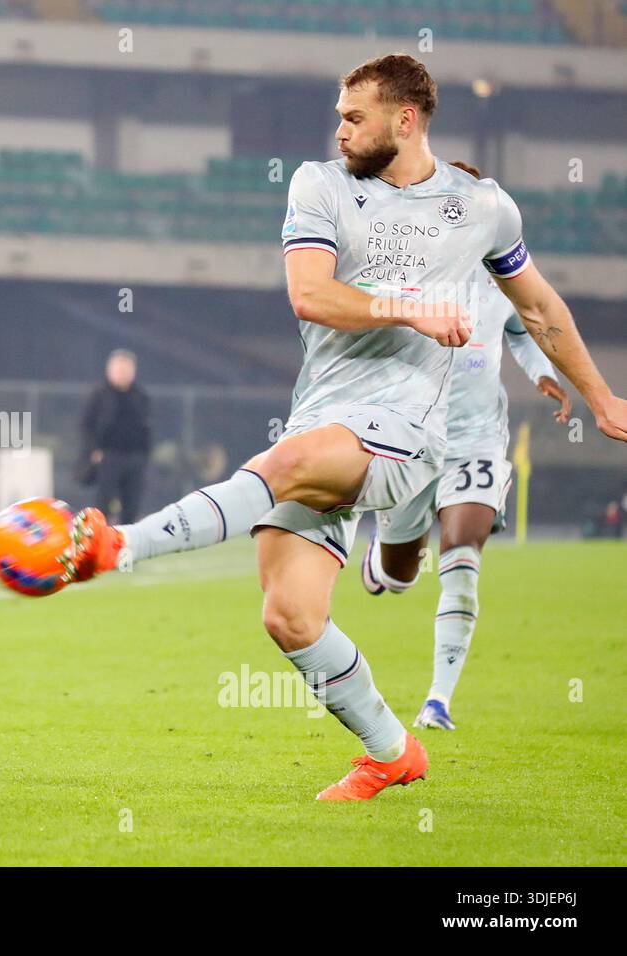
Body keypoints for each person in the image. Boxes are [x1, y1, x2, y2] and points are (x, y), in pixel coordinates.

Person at [55, 54, 627, 801]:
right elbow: (310, 295)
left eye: (354, 117)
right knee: (291, 616)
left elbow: (544, 311)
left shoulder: (484, 208)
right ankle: (392, 752)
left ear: (406, 120)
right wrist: (408, 305)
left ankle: (117, 545)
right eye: (339, 115)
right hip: (324, 412)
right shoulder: (319, 185)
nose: (341, 128)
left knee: (285, 464)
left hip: (408, 426)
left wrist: (605, 399)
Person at [360, 160, 572, 732]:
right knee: (401, 574)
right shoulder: (406, 272)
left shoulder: (504, 281)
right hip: (411, 437)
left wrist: (542, 374)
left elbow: (524, 332)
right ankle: (383, 565)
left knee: (462, 556)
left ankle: (438, 700)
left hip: (477, 439)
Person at [81, 349, 151, 524]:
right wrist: (94, 450)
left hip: (135, 457)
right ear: (109, 371)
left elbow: (146, 427)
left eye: (126, 370)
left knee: (132, 505)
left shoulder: (140, 395)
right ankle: (97, 541)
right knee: (102, 504)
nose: (122, 374)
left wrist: (145, 454)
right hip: (109, 456)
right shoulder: (99, 394)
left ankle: (126, 543)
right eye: (119, 370)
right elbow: (85, 425)